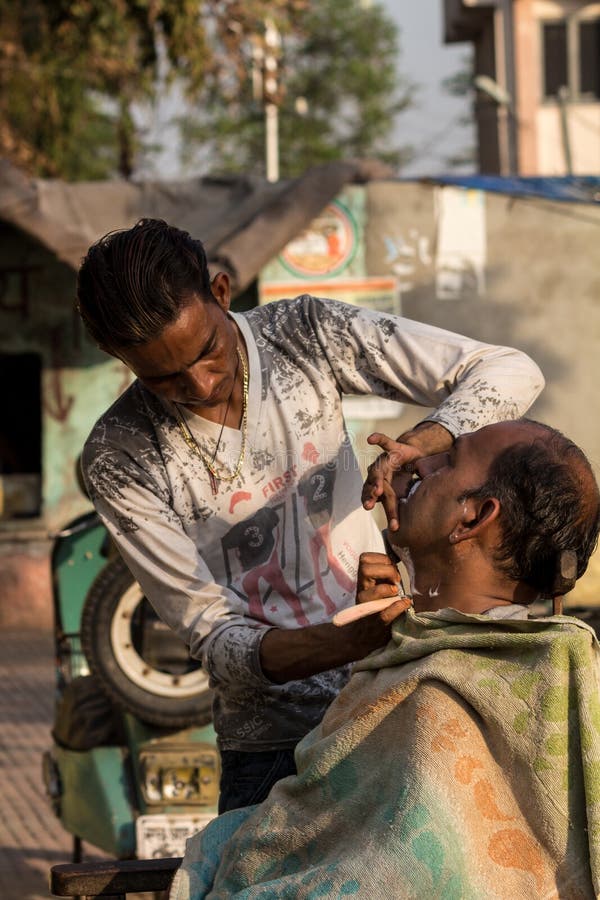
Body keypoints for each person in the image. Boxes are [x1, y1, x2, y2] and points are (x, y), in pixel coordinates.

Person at [77, 218, 544, 812]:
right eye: (162, 378)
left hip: (391, 709)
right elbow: (216, 641)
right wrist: (346, 641)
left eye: (208, 351)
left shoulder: (303, 334)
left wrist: (424, 440)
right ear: (115, 356)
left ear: (221, 292)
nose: (200, 384)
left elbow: (510, 372)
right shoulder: (119, 455)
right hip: (272, 751)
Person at [170, 419, 600, 900]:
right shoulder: (481, 664)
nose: (420, 463)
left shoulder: (438, 699)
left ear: (473, 518)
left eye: (447, 461)